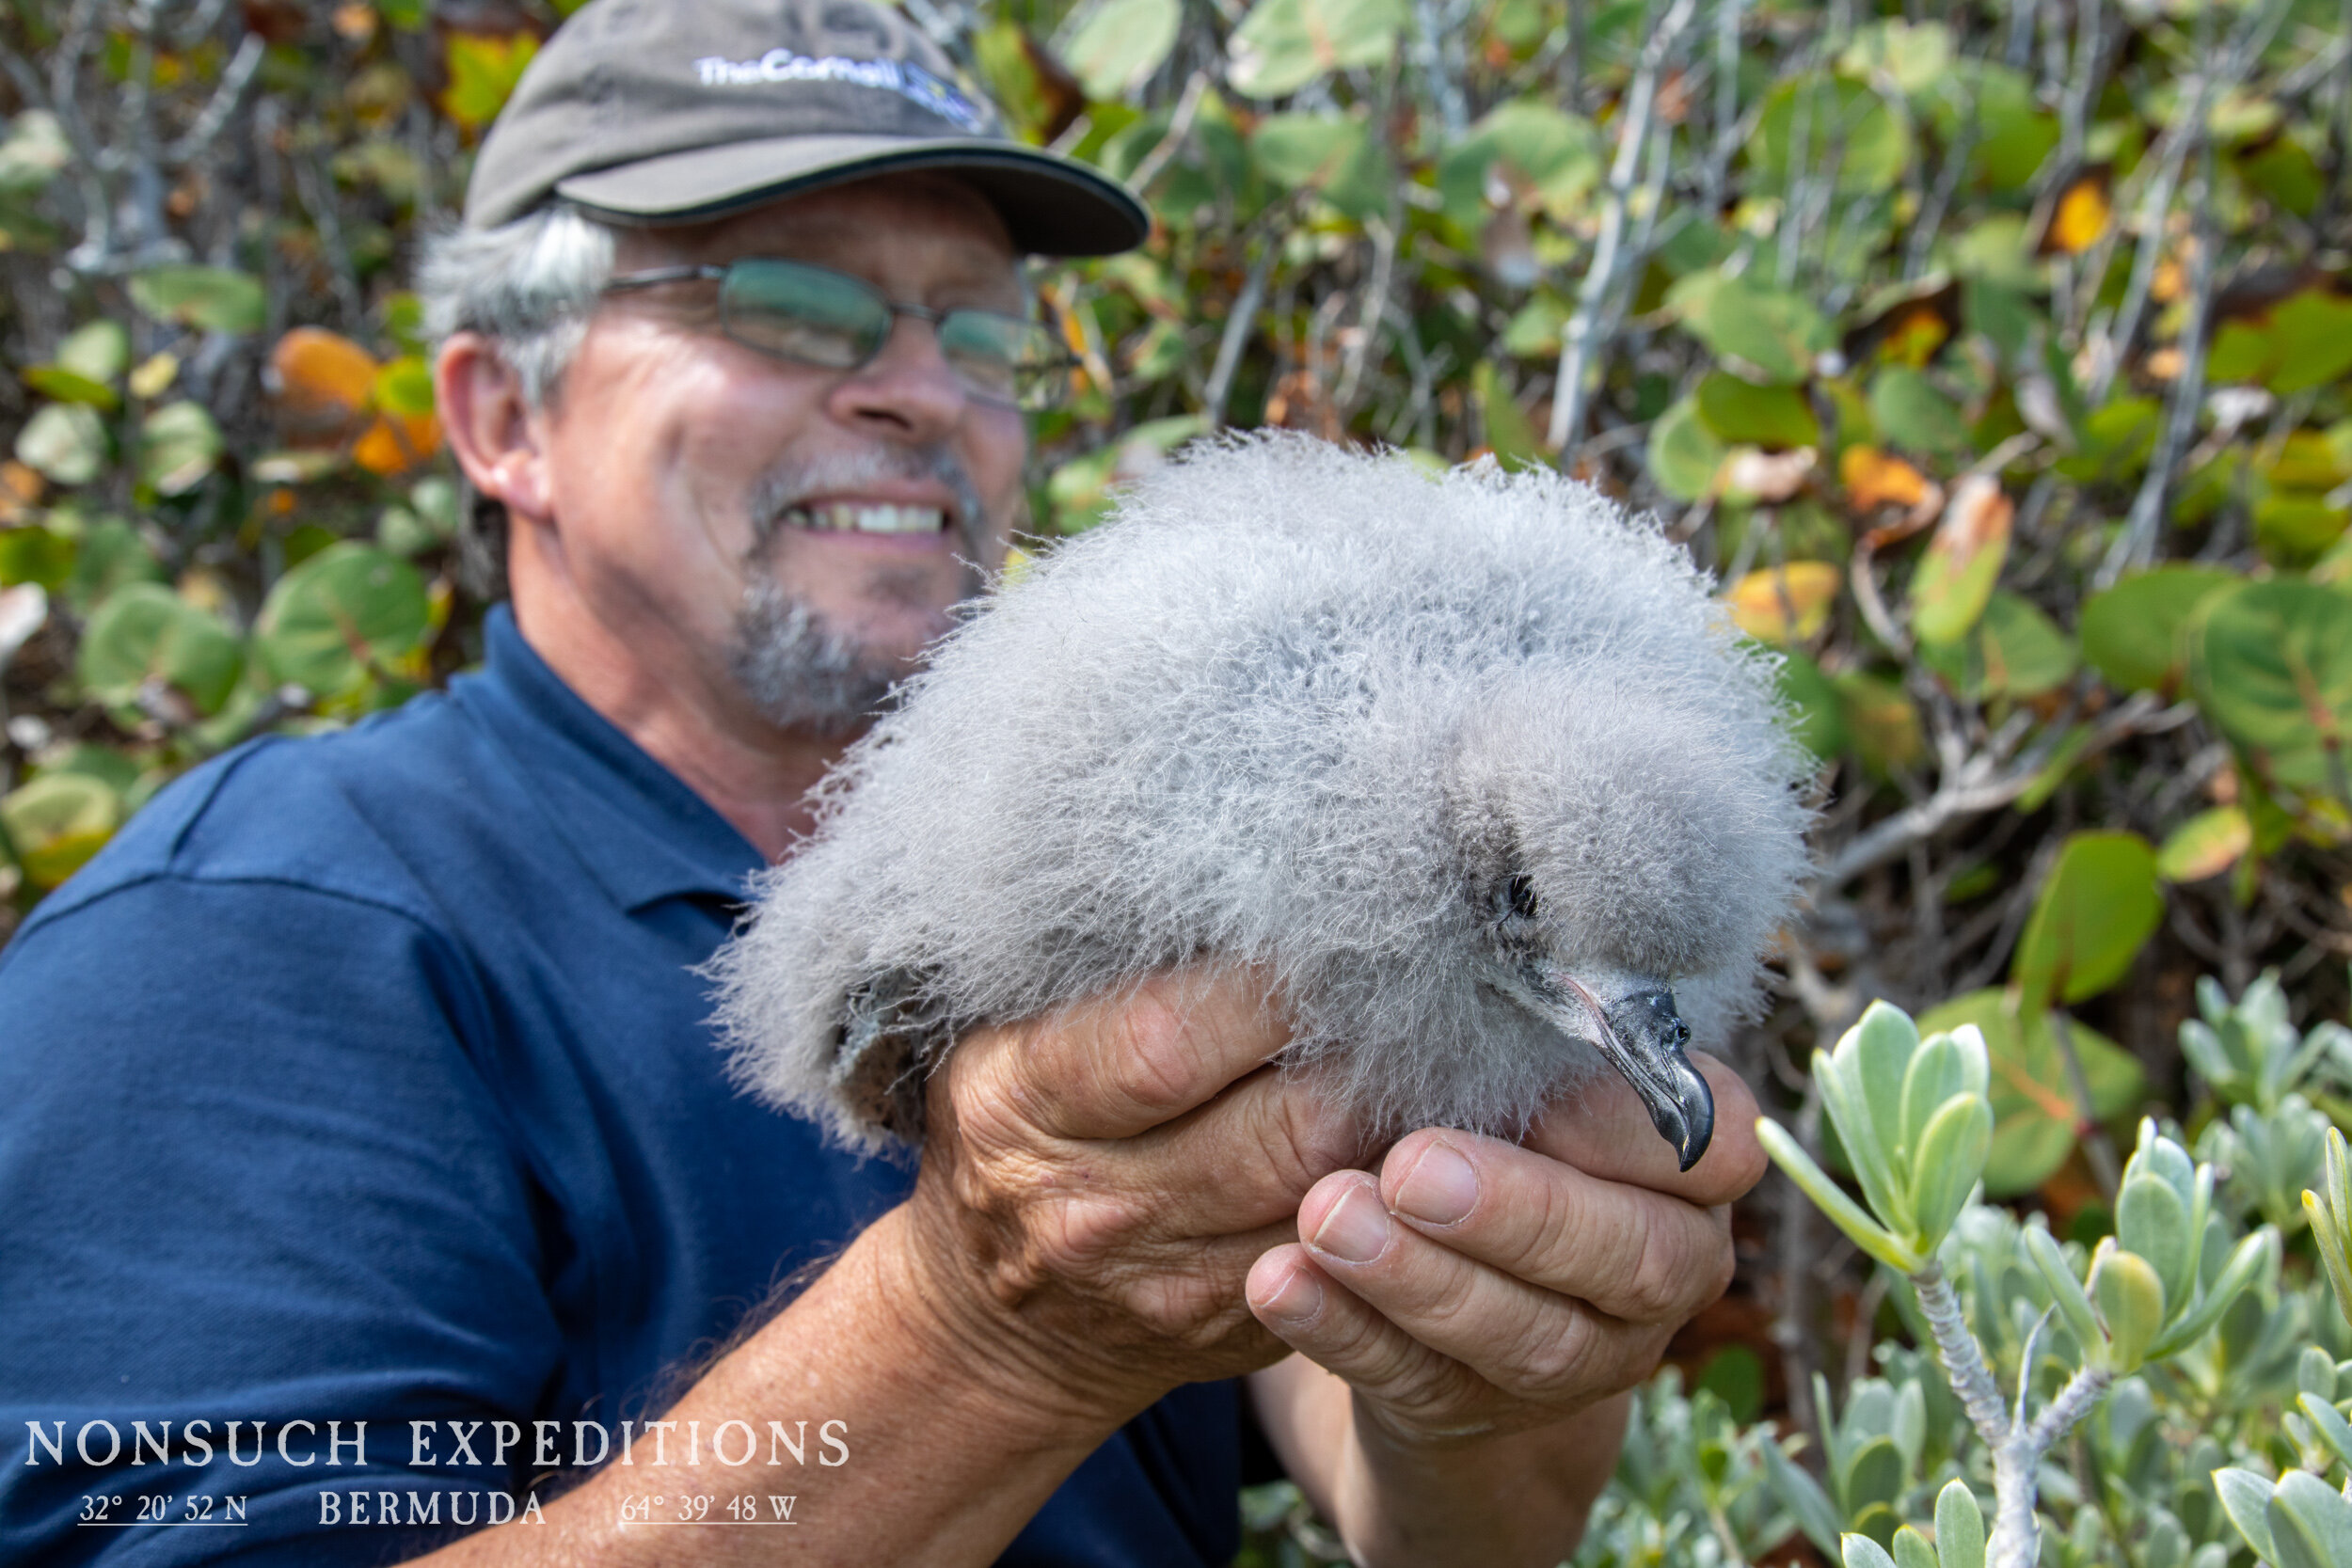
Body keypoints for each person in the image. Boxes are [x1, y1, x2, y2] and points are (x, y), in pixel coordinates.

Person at [0, 0, 1767, 1562]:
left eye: (981, 338)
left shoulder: (1223, 849)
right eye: (782, 300)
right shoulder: (249, 943)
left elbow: (1419, 1515)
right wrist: (987, 1327)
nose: (926, 395)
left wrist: (1507, 1355)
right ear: (500, 418)